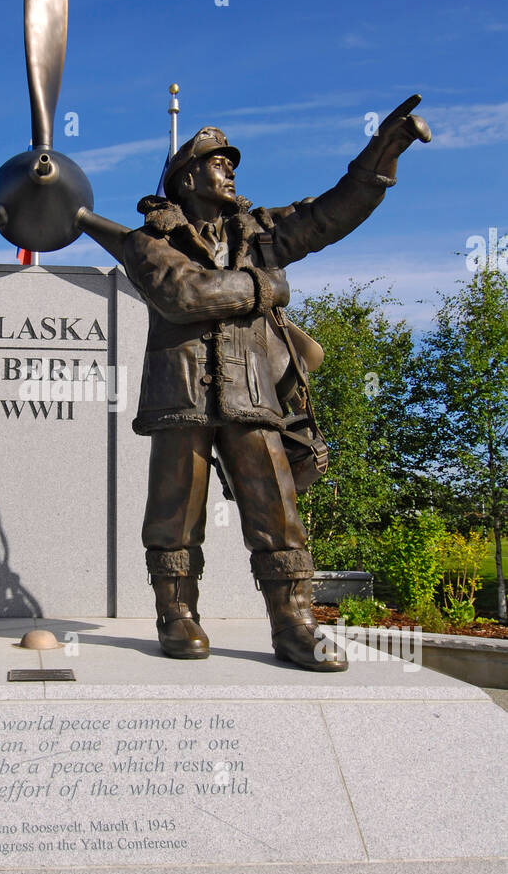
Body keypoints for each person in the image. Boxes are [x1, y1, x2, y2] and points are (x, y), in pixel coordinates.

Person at [122, 96, 430, 670]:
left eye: (231, 162)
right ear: (187, 178)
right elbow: (183, 296)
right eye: (218, 162)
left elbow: (330, 214)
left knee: (276, 514)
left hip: (251, 393)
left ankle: (295, 625)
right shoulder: (151, 241)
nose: (231, 169)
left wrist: (384, 149)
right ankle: (177, 615)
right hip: (179, 397)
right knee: (174, 513)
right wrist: (268, 289)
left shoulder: (258, 232)